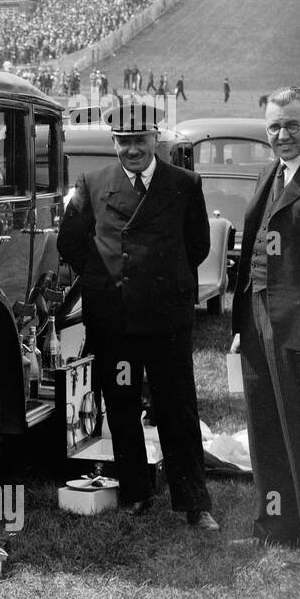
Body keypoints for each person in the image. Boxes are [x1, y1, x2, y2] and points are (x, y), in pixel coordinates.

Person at [57, 101, 218, 529]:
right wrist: (103, 278)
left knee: (176, 406)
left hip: (165, 320)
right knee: (122, 404)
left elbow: (197, 245)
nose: (132, 149)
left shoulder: (184, 183)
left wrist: (164, 278)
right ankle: (135, 492)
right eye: (124, 142)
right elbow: (70, 243)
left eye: (139, 140)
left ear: (155, 139)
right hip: (116, 321)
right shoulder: (92, 183)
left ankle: (192, 502)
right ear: (114, 142)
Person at [230, 87, 300, 567]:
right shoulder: (269, 173)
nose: (282, 134)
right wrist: (242, 322)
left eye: (291, 124)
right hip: (259, 321)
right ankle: (276, 526)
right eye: (273, 126)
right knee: (265, 427)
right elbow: (252, 253)